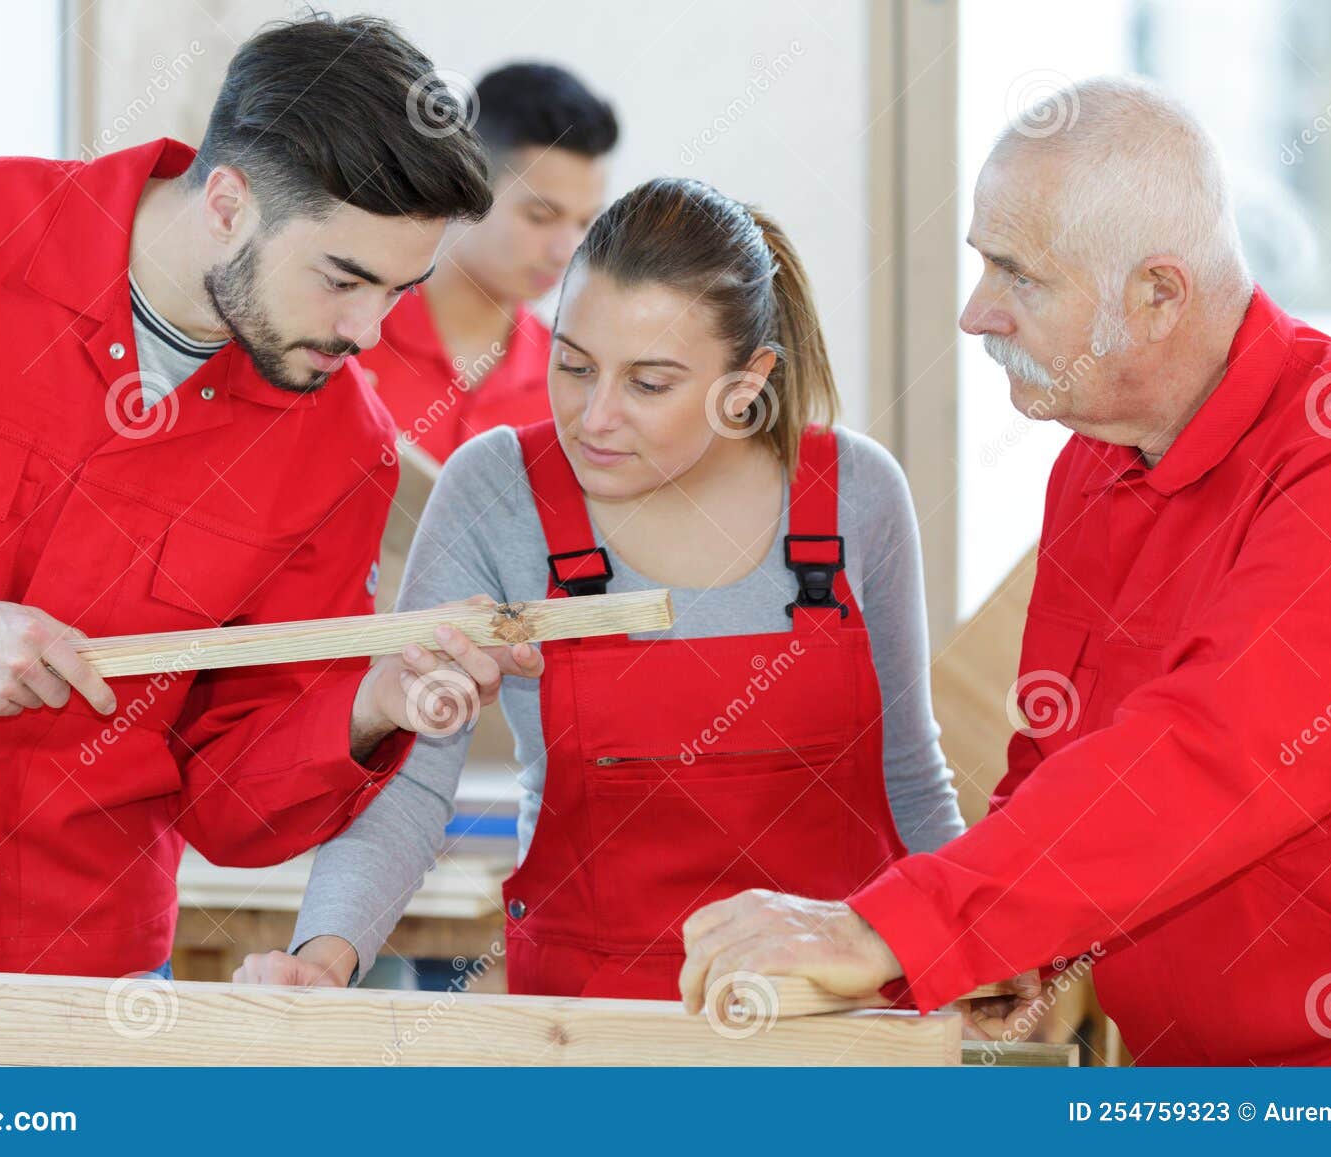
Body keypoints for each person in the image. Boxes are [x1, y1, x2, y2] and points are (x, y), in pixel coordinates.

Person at [0, 14, 541, 1066]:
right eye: (341, 277)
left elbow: (230, 803)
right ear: (229, 201)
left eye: (397, 291)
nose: (368, 331)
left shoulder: (343, 452)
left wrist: (374, 702)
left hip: (80, 973)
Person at [679, 77, 1331, 1065]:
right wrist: (1019, 957)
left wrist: (892, 926)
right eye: (983, 265)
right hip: (1180, 1073)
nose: (977, 313)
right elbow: (1058, 761)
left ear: (1156, 295)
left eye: (1017, 275)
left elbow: (1204, 757)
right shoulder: (1093, 459)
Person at [234, 177, 966, 999]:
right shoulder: (497, 490)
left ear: (747, 382)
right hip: (585, 1033)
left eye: (649, 384)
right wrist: (323, 957)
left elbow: (909, 777)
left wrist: (969, 959)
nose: (595, 415)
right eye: (574, 365)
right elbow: (412, 777)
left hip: (838, 1030)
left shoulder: (856, 492)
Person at [360, 63, 617, 462]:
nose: (566, 251)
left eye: (584, 223)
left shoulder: (573, 388)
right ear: (468, 182)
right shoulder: (348, 332)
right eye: (540, 216)